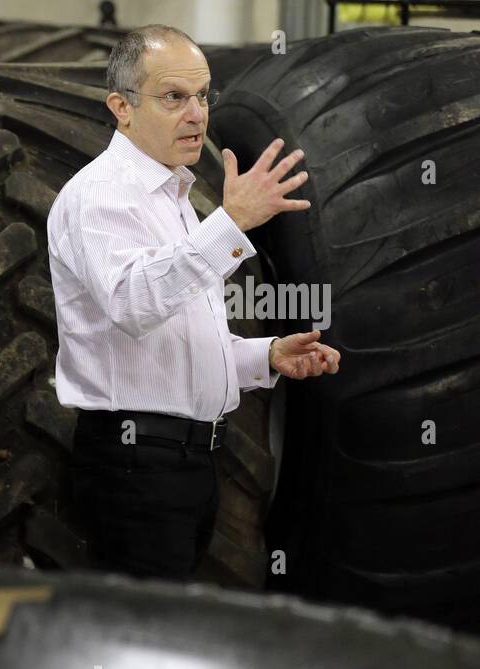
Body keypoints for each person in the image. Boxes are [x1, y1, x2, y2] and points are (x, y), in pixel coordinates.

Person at [46, 24, 341, 579]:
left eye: (203, 95)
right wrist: (231, 223)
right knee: (143, 644)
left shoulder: (174, 194)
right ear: (121, 107)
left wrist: (266, 356)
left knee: (169, 635)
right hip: (136, 463)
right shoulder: (100, 197)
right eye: (173, 97)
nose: (196, 113)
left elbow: (178, 336)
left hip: (188, 461)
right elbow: (135, 305)